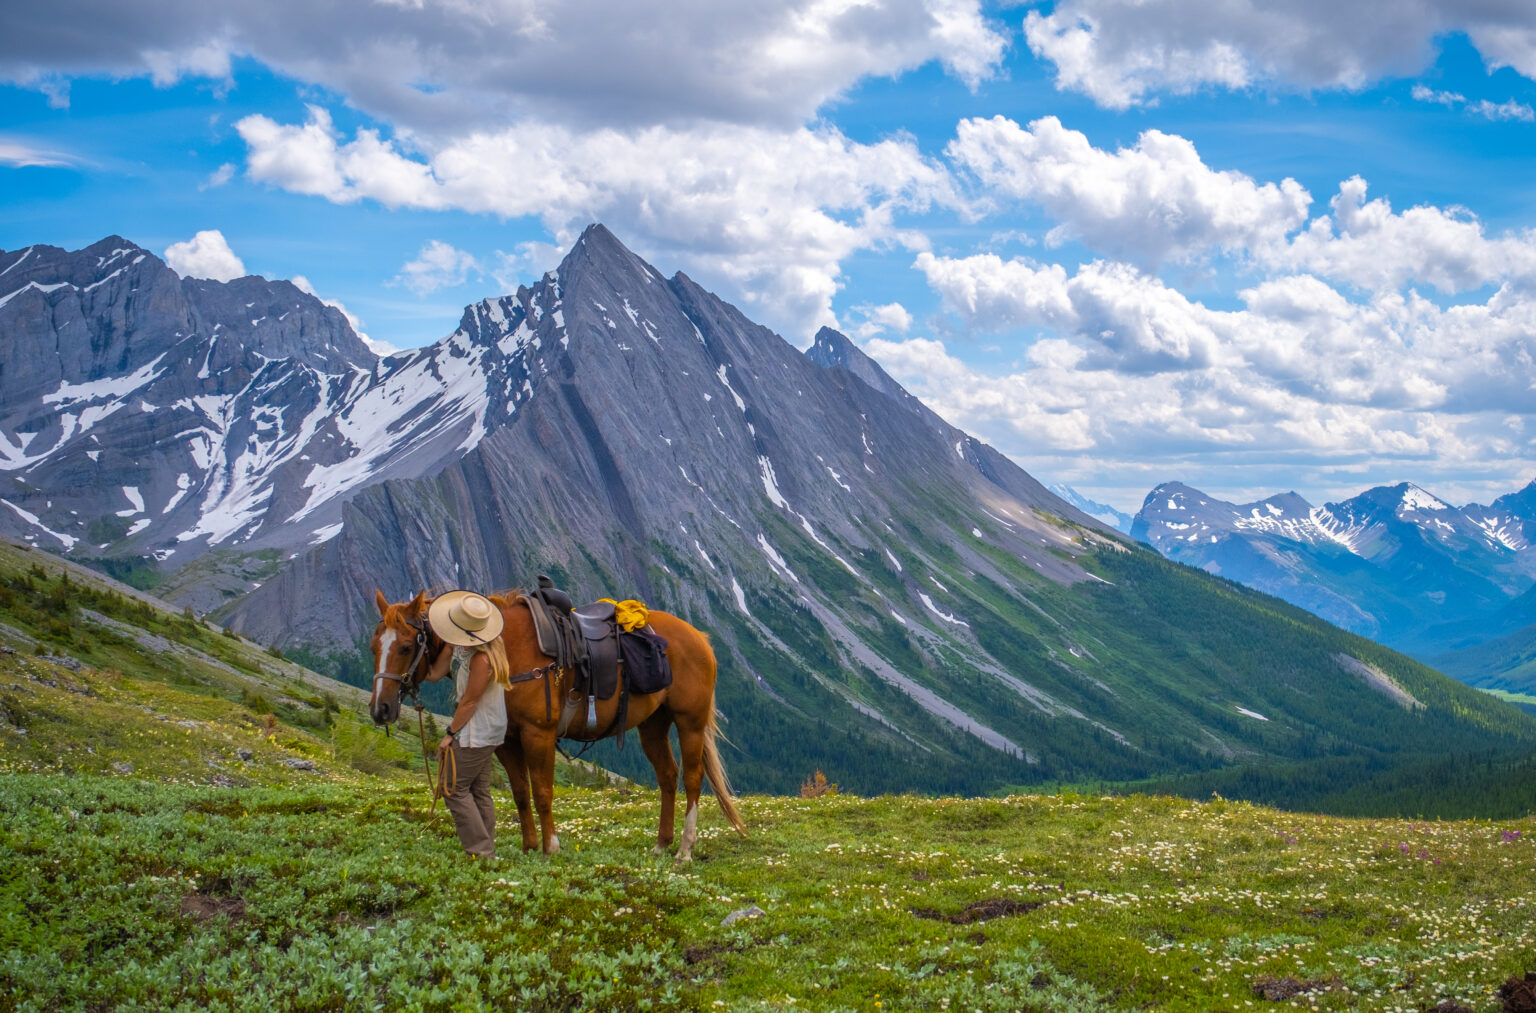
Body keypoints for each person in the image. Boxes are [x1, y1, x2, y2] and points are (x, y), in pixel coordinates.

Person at [422, 590, 511, 859]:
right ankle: (486, 846)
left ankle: (481, 851)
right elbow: (435, 674)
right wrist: (449, 644)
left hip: (478, 730)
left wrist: (450, 733)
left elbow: (470, 702)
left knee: (454, 789)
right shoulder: (479, 649)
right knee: (478, 790)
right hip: (489, 728)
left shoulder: (481, 660)